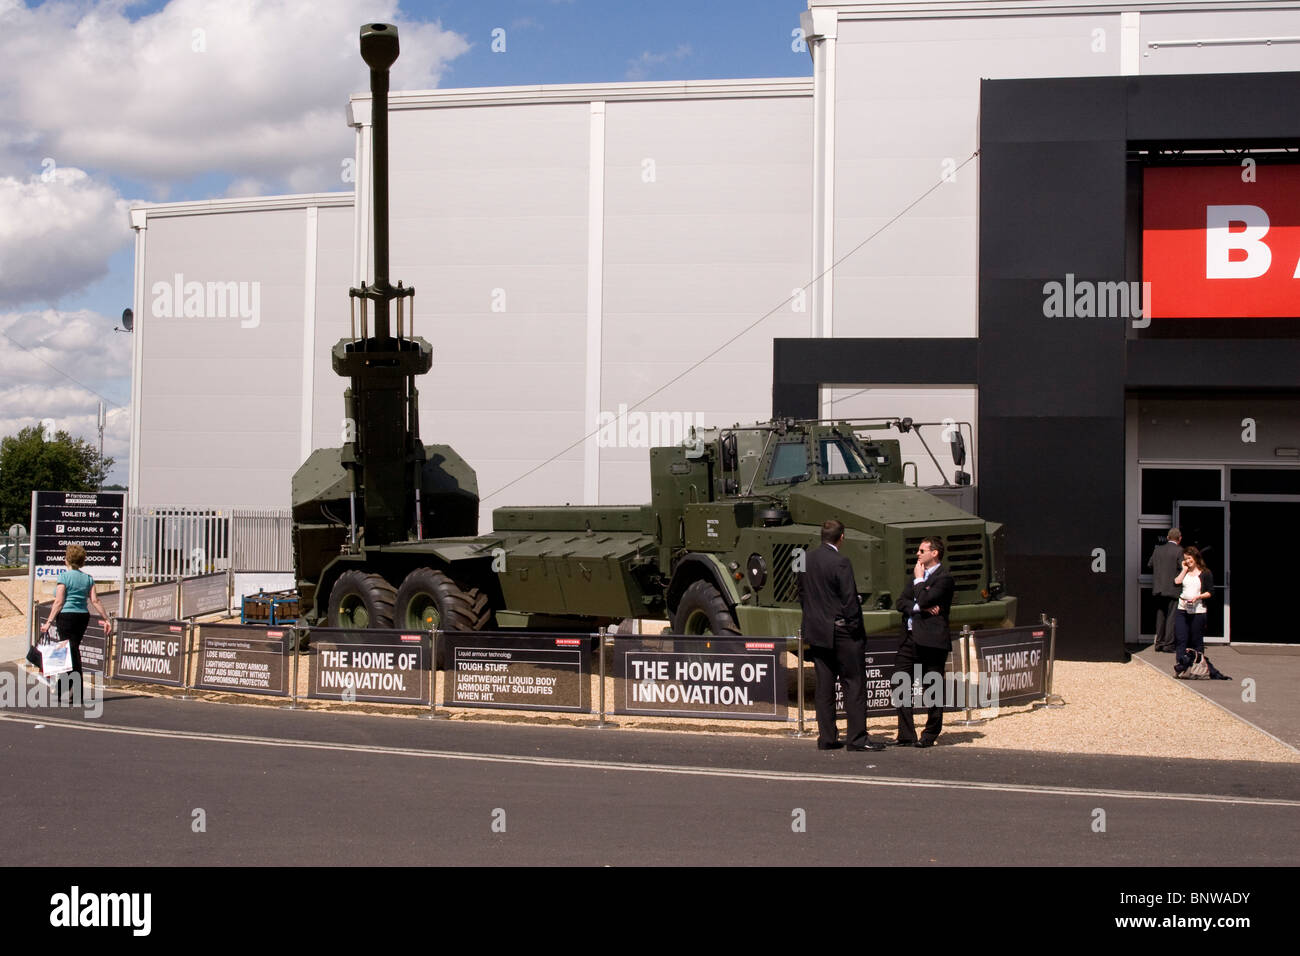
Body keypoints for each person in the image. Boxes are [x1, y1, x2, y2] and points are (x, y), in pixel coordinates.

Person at [798, 519, 883, 751]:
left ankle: (827, 737)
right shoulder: (841, 562)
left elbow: (801, 593)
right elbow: (849, 600)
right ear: (841, 537)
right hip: (841, 631)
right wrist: (855, 629)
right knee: (853, 684)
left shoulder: (803, 558)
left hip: (816, 631)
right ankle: (857, 738)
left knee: (824, 687)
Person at [889, 535, 955, 747]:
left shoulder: (944, 578)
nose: (917, 554)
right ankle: (906, 734)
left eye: (921, 551)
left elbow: (927, 598)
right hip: (909, 640)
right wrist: (919, 607)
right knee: (899, 683)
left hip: (932, 642)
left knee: (932, 688)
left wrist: (920, 582)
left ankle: (930, 734)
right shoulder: (916, 575)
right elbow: (901, 602)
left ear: (934, 553)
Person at [40, 544, 112, 704]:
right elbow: (95, 600)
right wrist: (106, 618)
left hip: (66, 616)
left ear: (67, 560)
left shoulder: (64, 577)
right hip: (82, 616)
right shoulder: (88, 578)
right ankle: (62, 688)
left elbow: (59, 601)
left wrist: (48, 622)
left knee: (71, 652)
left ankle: (74, 688)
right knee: (72, 650)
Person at [1172, 546, 1229, 680]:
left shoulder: (1205, 573)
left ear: (1196, 558)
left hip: (1198, 610)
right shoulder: (1185, 571)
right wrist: (1184, 569)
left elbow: (1210, 592)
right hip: (1183, 609)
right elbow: (1176, 582)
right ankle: (1181, 667)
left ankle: (1199, 668)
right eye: (1185, 559)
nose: (1188, 561)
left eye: (1189, 559)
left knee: (1196, 641)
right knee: (1181, 639)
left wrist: (1197, 597)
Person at [1148, 527, 1182, 652]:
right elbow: (1183, 567)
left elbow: (1150, 564)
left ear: (1167, 538)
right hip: (1173, 588)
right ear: (1180, 539)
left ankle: (1159, 643)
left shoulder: (1158, 550)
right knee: (1171, 617)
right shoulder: (1179, 551)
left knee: (1160, 616)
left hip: (1158, 588)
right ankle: (1168, 645)